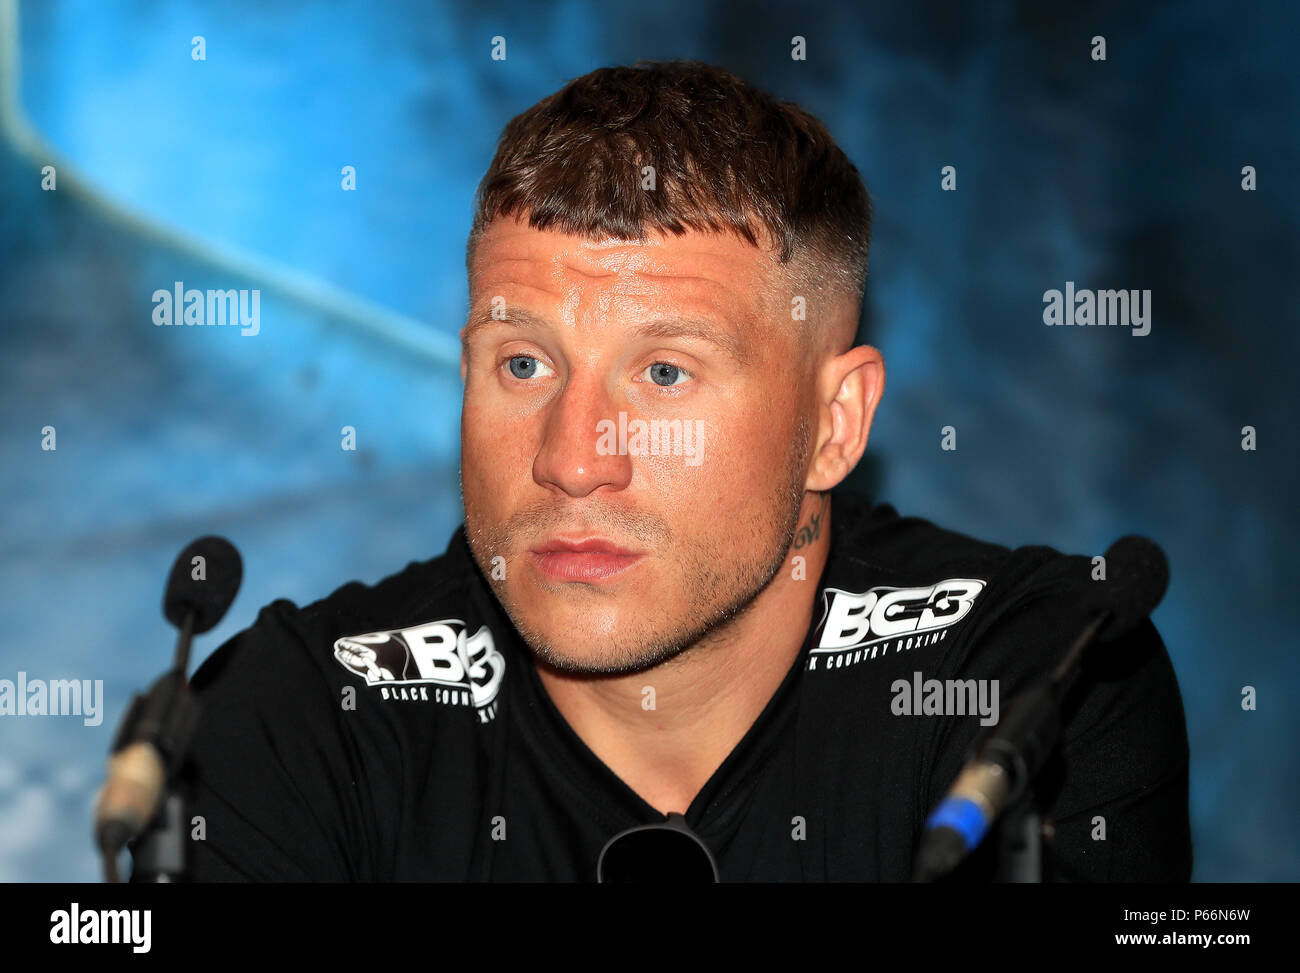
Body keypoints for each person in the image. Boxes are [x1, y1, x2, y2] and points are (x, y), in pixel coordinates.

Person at [160, 60, 1191, 882]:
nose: (571, 461)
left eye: (663, 372)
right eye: (522, 364)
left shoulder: (1036, 682)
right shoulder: (302, 712)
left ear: (834, 424)